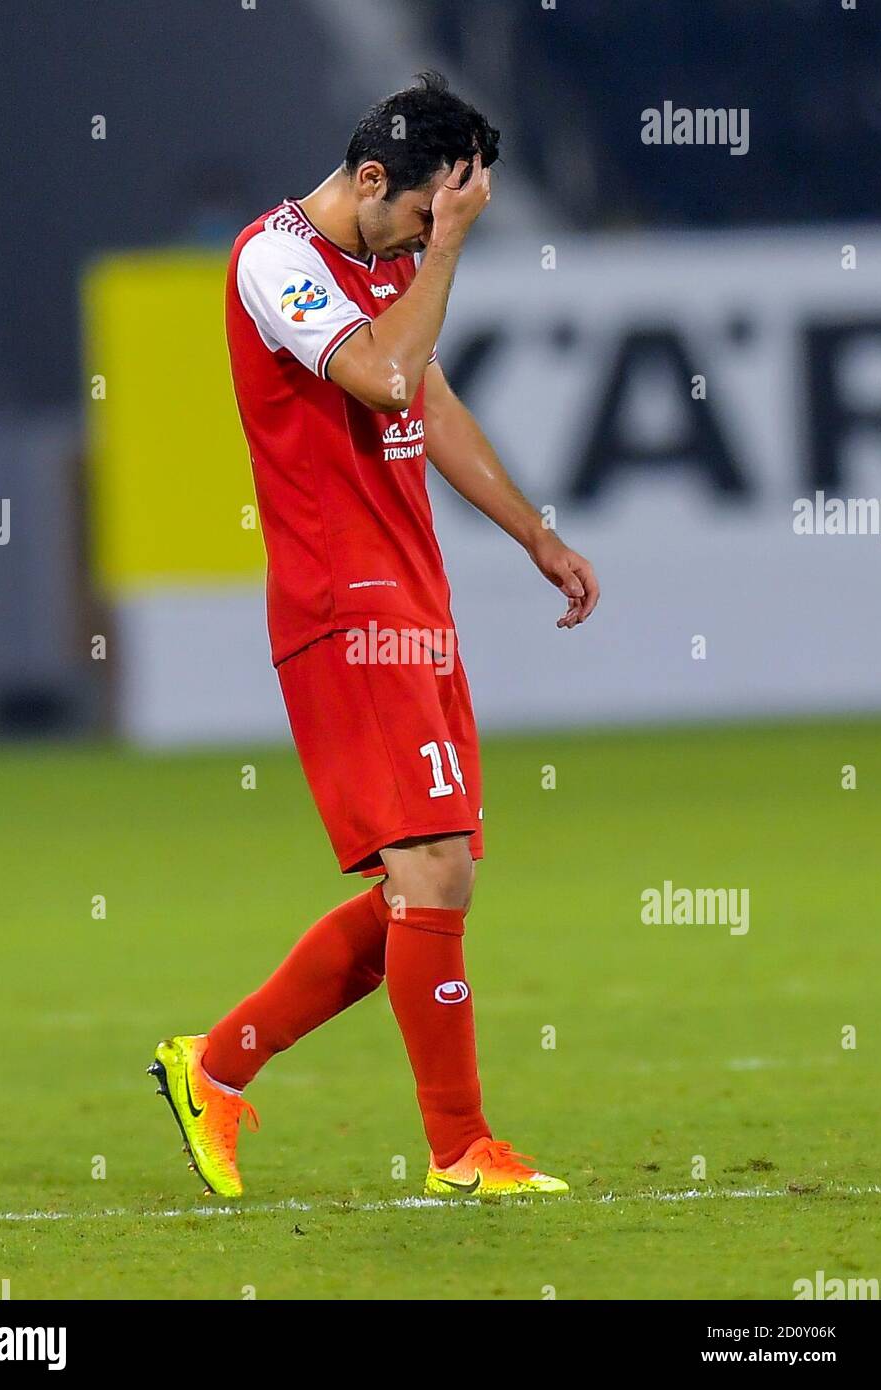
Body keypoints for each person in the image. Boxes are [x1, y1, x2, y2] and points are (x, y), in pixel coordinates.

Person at [149, 72, 599, 1200]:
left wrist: (533, 536)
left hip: (412, 599)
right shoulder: (274, 258)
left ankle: (215, 1064)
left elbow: (429, 404)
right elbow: (385, 375)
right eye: (423, 212)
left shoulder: (387, 257)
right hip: (340, 608)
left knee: (426, 889)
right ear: (370, 180)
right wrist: (445, 249)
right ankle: (460, 1149)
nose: (427, 235)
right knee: (432, 871)